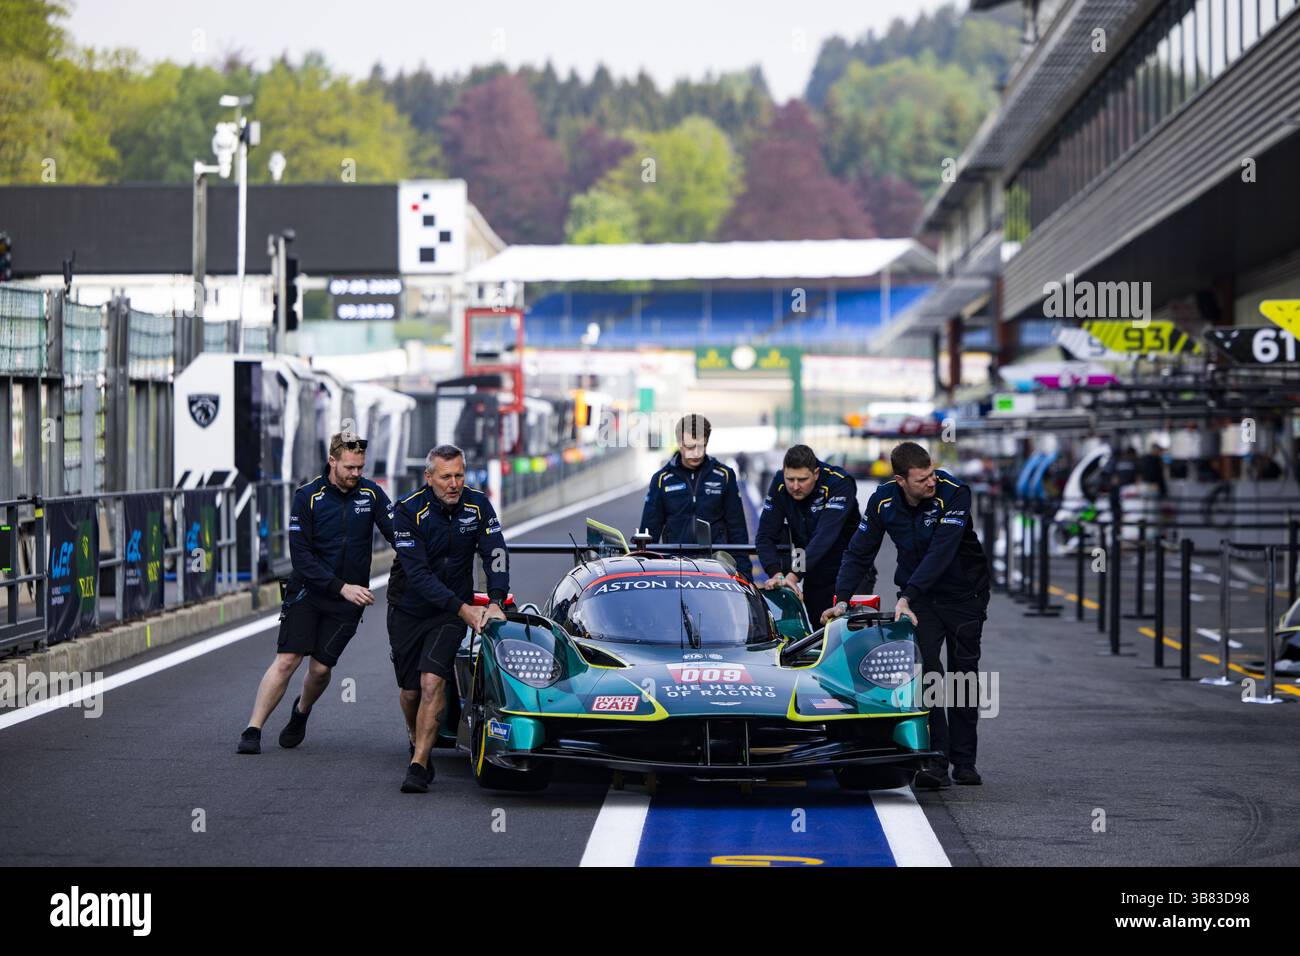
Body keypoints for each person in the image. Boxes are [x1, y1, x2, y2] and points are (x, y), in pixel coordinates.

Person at [822, 441, 990, 789]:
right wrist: (841, 599)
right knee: (928, 671)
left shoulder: (955, 493)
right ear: (900, 480)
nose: (931, 482)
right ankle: (936, 760)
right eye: (922, 479)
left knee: (964, 673)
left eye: (931, 474)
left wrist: (907, 595)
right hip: (921, 599)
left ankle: (965, 760)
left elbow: (941, 553)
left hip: (964, 596)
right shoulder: (882, 501)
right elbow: (859, 552)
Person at [237, 432, 394, 755]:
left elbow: (399, 534)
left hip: (349, 601)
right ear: (332, 462)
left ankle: (301, 713)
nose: (356, 474)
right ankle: (253, 729)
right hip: (308, 592)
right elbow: (301, 558)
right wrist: (341, 587)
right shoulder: (307, 496)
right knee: (287, 660)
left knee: (321, 669)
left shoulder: (372, 494)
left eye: (360, 467)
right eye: (350, 467)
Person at [387, 444, 509, 793]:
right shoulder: (407, 511)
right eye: (446, 477)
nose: (454, 483)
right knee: (410, 692)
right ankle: (416, 736)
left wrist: (497, 599)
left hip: (450, 612)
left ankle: (419, 764)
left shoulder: (478, 504)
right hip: (408, 609)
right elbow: (419, 575)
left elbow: (495, 551)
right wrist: (465, 609)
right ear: (429, 478)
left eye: (459, 475)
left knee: (431, 683)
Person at [755, 444, 860, 624]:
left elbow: (823, 537)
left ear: (816, 473)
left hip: (850, 569)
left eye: (802, 479)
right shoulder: (780, 481)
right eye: (790, 479)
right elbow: (765, 535)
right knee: (818, 635)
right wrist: (777, 573)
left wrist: (793, 575)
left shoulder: (840, 483)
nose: (795, 486)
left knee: (847, 636)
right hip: (813, 570)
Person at [639, 414, 750, 576]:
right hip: (674, 566)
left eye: (701, 446)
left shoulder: (725, 475)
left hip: (717, 567)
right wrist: (643, 571)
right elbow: (648, 532)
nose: (696, 454)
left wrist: (746, 574)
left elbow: (738, 530)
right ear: (678, 443)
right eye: (690, 447)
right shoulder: (661, 479)